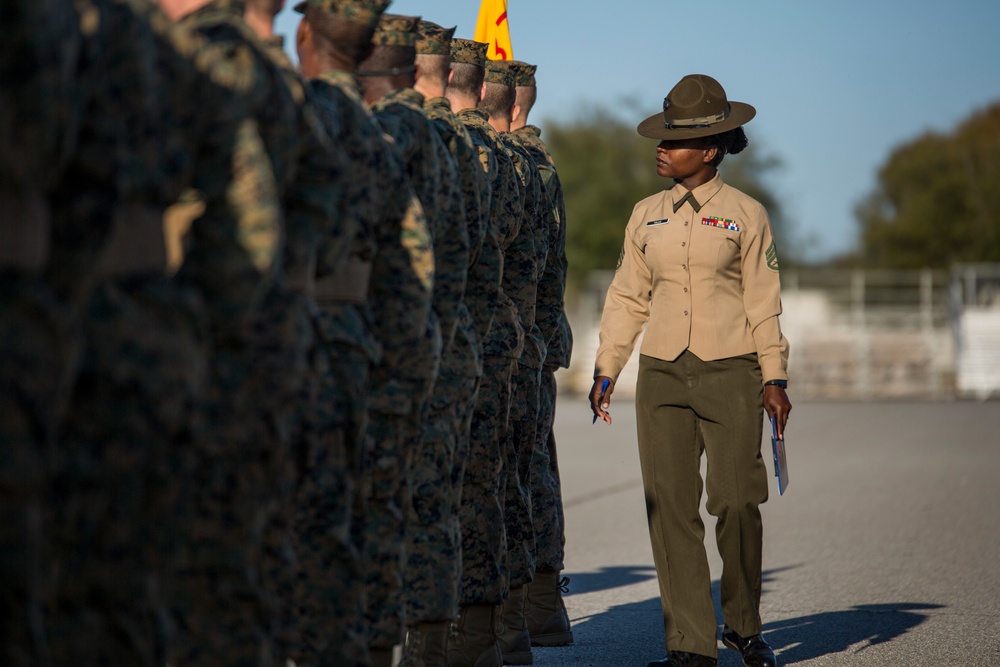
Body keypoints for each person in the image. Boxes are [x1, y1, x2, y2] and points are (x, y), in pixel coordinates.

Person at [589, 74, 791, 667]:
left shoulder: (747, 216)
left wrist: (774, 378)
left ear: (710, 149)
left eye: (673, 141)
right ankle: (690, 647)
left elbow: (764, 300)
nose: (661, 148)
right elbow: (628, 296)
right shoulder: (644, 215)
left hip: (732, 372)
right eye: (661, 138)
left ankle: (744, 624)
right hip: (662, 376)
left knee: (735, 501)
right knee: (669, 507)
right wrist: (609, 367)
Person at [508, 60, 575, 649]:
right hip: (533, 339)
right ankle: (543, 603)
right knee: (536, 470)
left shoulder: (507, 164)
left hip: (508, 342)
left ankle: (522, 608)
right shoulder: (543, 166)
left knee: (512, 474)